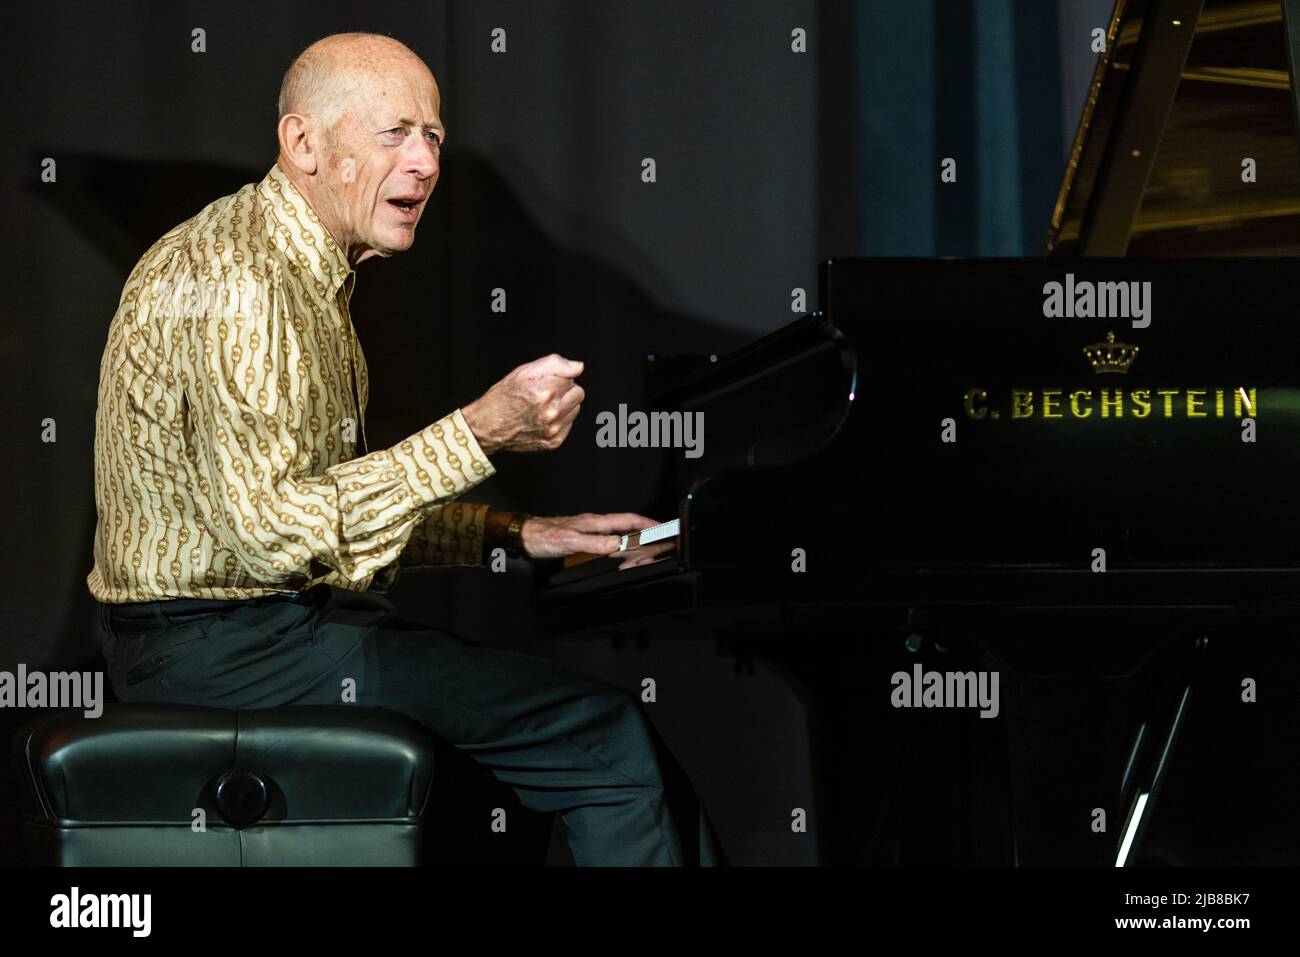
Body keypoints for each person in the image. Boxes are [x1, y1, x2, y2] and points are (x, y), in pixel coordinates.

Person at [87, 31, 725, 867]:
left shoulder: (300, 269)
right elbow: (275, 536)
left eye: (434, 137)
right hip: (219, 647)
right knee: (605, 739)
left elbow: (323, 515)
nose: (424, 162)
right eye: (396, 133)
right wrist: (478, 431)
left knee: (497, 781)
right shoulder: (241, 280)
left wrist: (515, 533)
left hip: (255, 630)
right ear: (304, 143)